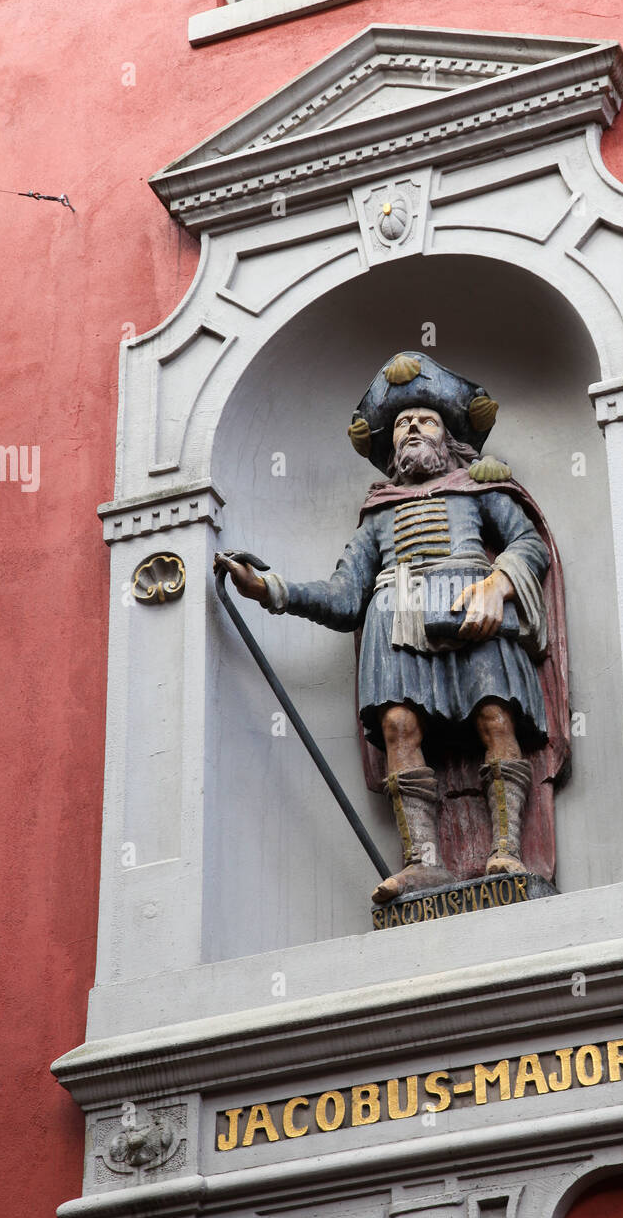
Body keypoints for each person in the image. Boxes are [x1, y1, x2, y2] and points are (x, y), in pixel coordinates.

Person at [215, 352, 564, 906]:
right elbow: (344, 596)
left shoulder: (483, 488)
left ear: (447, 435)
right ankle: (424, 862)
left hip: (473, 608)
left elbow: (529, 544)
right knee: (400, 728)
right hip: (395, 620)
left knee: (496, 717)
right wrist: (269, 589)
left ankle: (506, 849)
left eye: (423, 420)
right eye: (402, 424)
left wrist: (496, 585)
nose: (412, 430)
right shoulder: (379, 513)